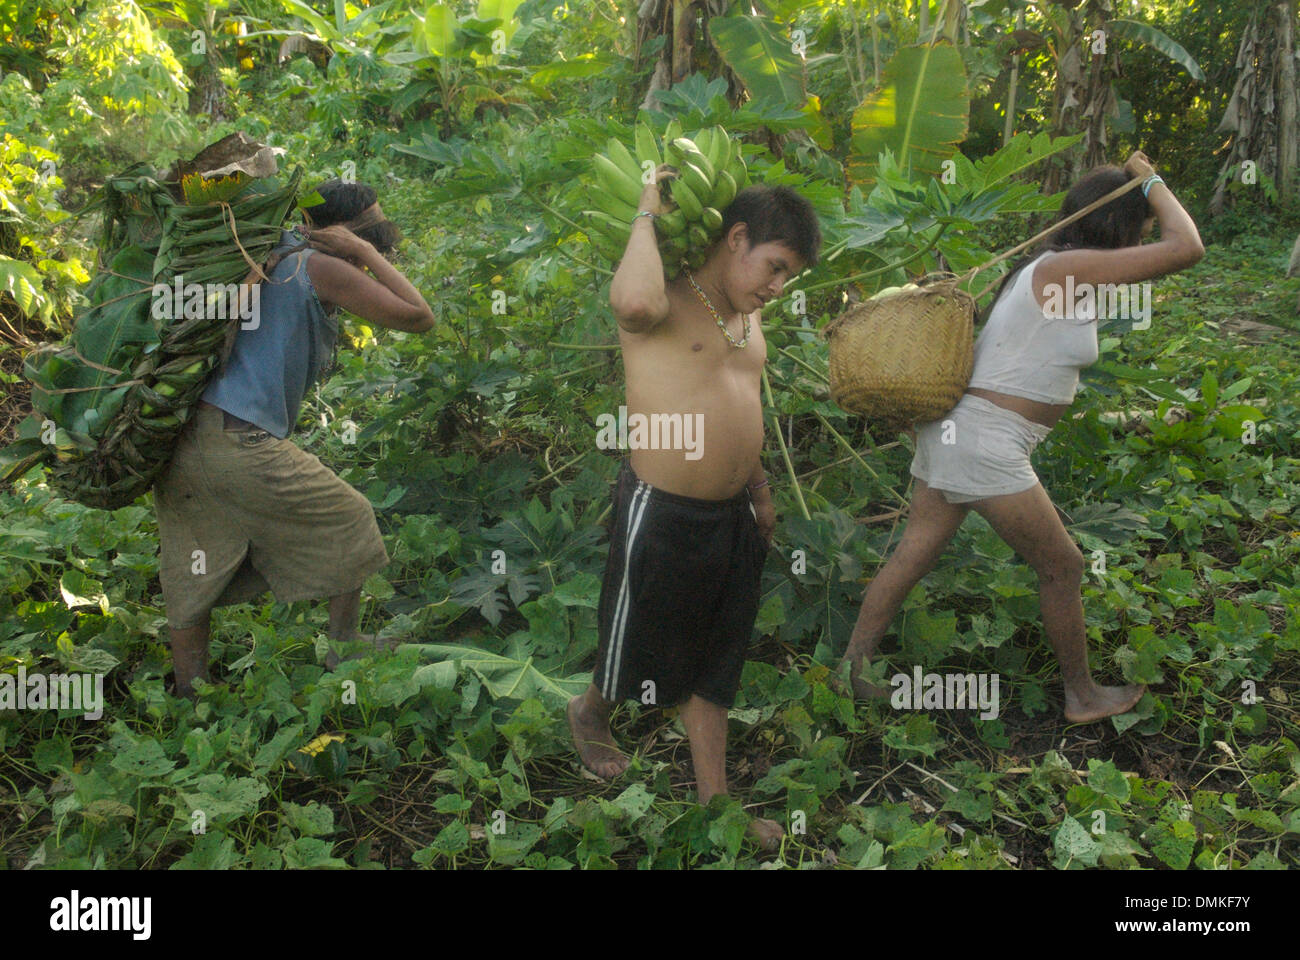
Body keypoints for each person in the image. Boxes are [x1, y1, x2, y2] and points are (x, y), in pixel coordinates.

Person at [839, 150, 1204, 723]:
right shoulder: (1063, 269)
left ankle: (849, 673)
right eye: (1139, 228)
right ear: (1119, 225)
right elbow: (1188, 247)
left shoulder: (1057, 271)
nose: (1143, 238)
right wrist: (1150, 178)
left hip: (961, 436)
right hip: (986, 442)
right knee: (1063, 567)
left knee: (912, 556)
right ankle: (1081, 695)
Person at [566, 173, 821, 850]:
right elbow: (630, 300)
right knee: (638, 638)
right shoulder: (669, 300)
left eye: (787, 277)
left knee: (717, 653)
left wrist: (762, 492)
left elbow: (746, 404)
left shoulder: (747, 312)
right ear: (736, 238)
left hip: (734, 510)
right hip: (663, 506)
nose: (776, 287)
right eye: (774, 267)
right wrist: (648, 210)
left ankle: (717, 807)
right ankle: (590, 713)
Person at [154, 179, 435, 697]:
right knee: (349, 516)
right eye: (367, 234)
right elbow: (420, 317)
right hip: (240, 443)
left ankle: (191, 691)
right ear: (336, 232)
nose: (373, 243)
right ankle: (342, 647)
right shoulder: (319, 265)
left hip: (186, 439)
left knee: (192, 566)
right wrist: (365, 253)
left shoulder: (268, 249)